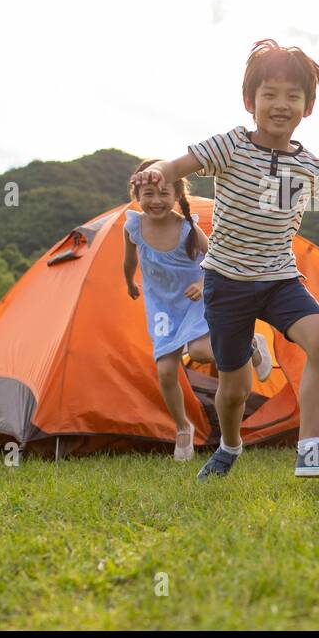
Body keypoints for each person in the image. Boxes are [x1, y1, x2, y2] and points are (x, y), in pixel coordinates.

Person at [129, 39, 319, 480]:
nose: (281, 105)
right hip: (227, 282)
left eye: (293, 96)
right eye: (270, 94)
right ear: (249, 101)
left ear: (308, 107)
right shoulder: (231, 146)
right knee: (235, 389)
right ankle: (230, 445)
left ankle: (310, 449)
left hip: (279, 280)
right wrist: (155, 172)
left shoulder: (308, 166)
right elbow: (176, 166)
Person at [124, 160, 273, 460]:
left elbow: (217, 260)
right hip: (163, 308)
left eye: (164, 193)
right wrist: (129, 282)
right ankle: (183, 428)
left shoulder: (186, 229)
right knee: (166, 371)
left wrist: (203, 281)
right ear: (136, 195)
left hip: (195, 301)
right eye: (148, 194)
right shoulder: (133, 226)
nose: (156, 201)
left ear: (177, 194)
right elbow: (129, 261)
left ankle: (251, 344)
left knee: (203, 352)